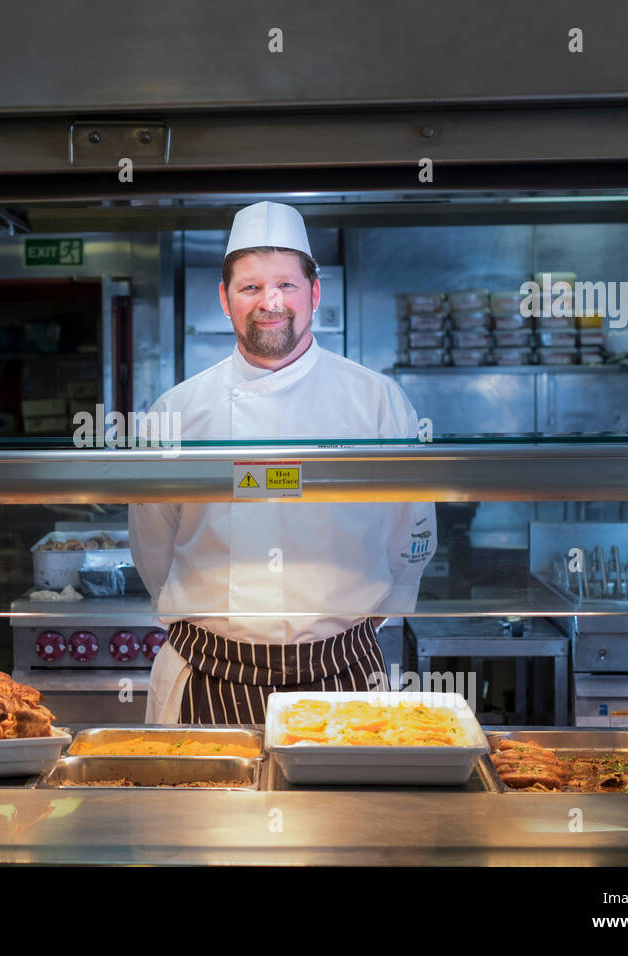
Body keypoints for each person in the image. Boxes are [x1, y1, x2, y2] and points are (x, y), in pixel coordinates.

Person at [129, 201, 436, 724]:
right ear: (224, 301)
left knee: (345, 810)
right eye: (249, 287)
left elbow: (409, 540)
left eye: (286, 285)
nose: (269, 301)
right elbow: (152, 551)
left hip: (342, 673)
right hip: (207, 672)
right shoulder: (176, 411)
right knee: (195, 810)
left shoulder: (376, 401)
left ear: (315, 293)